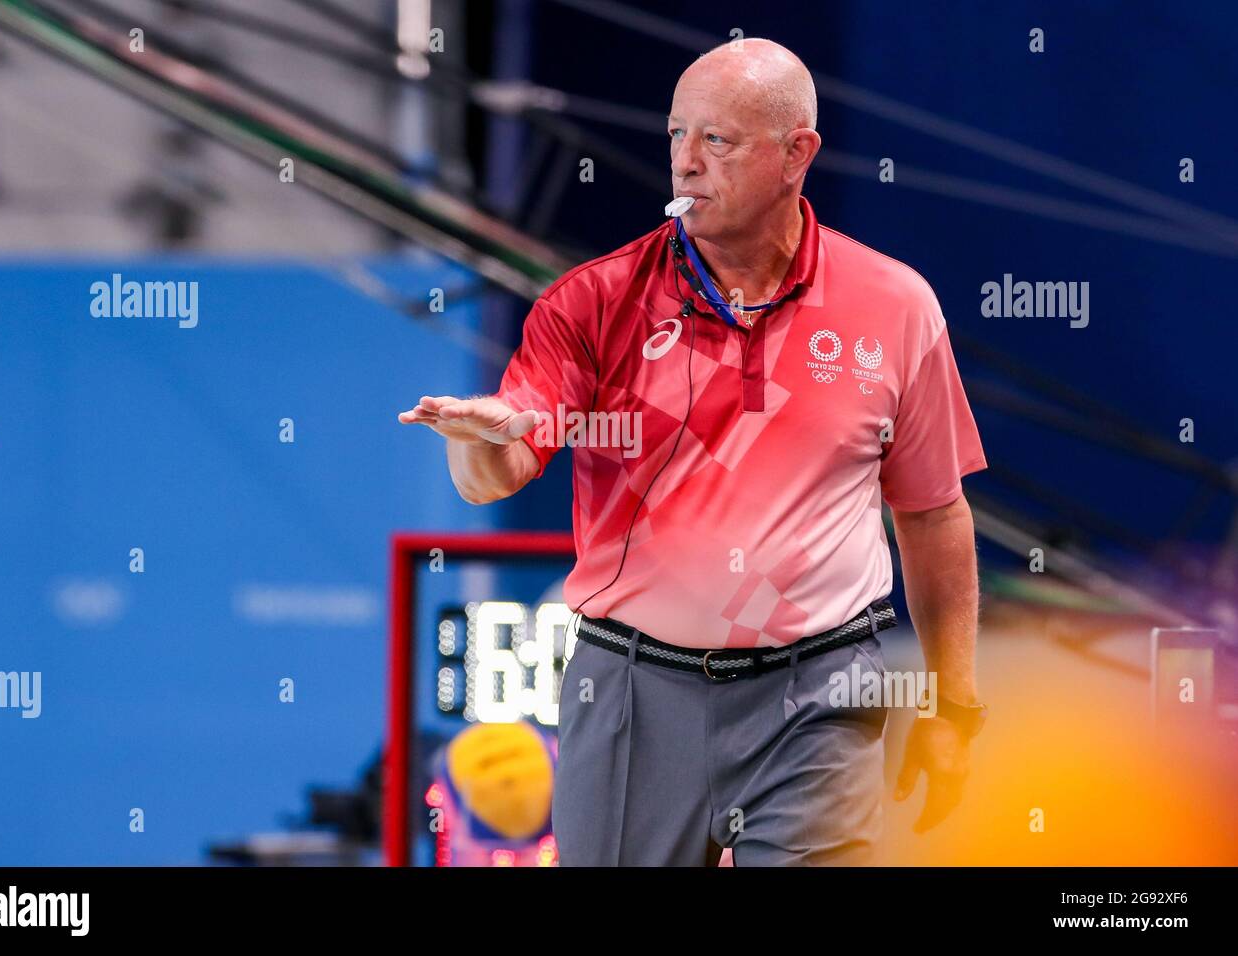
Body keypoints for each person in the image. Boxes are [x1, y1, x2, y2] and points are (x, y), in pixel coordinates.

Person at [398, 37, 988, 866]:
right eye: (677, 135)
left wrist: (955, 703)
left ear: (798, 154)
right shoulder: (595, 301)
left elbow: (932, 512)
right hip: (633, 692)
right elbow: (504, 461)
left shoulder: (895, 305)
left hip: (821, 695)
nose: (685, 163)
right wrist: (475, 440)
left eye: (718, 141)